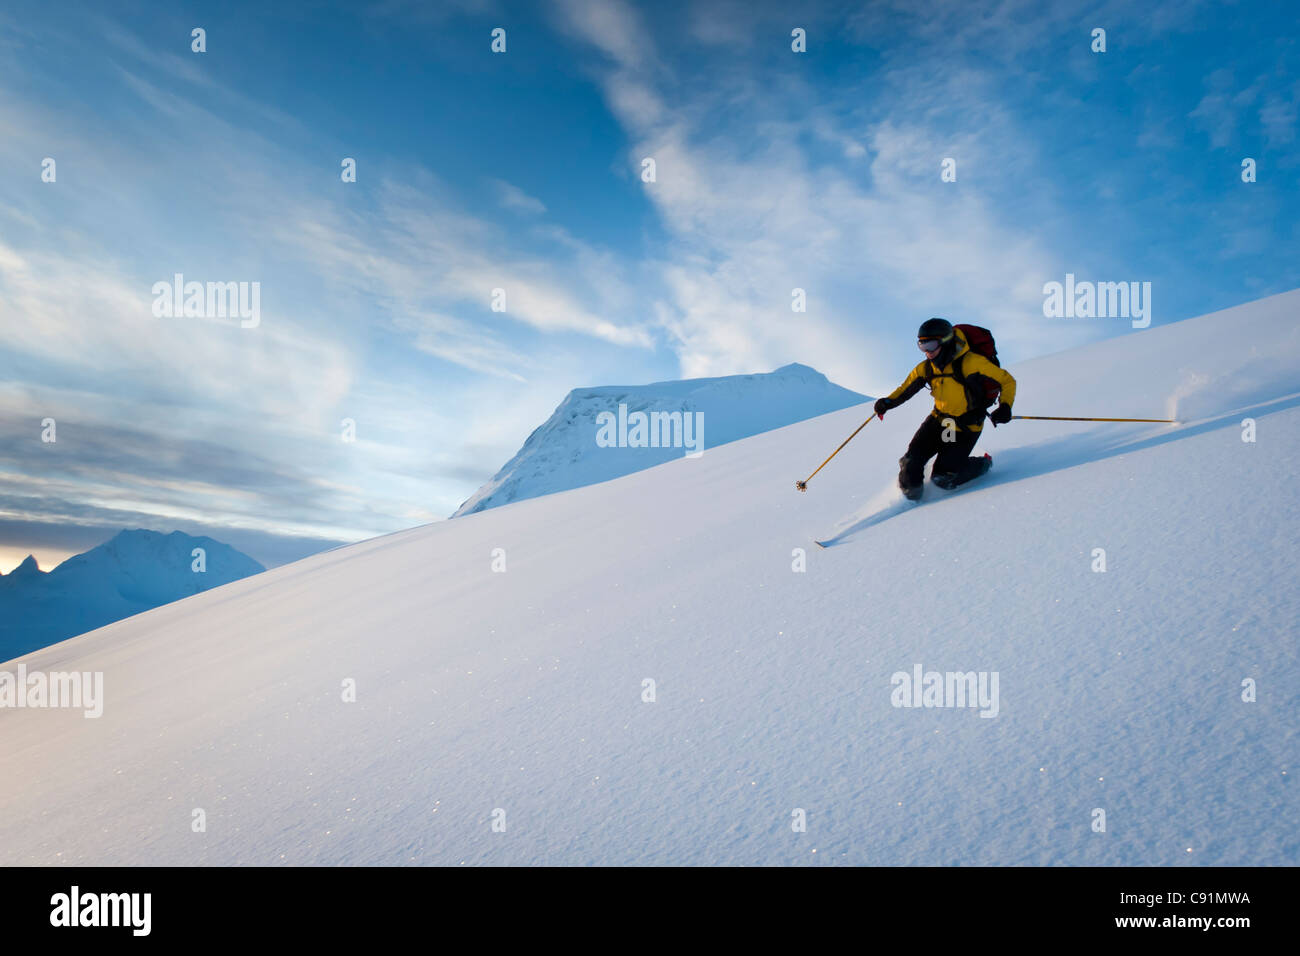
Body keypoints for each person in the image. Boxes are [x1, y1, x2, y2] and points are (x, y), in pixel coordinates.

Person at [872, 318, 1017, 500]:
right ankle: (912, 504)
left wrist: (1005, 406)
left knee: (943, 478)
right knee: (910, 464)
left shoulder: (971, 363)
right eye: (922, 346)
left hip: (965, 426)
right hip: (940, 421)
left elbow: (1007, 380)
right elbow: (905, 389)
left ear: (946, 340)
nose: (927, 352)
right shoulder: (926, 368)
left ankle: (983, 464)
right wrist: (887, 403)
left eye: (931, 345)